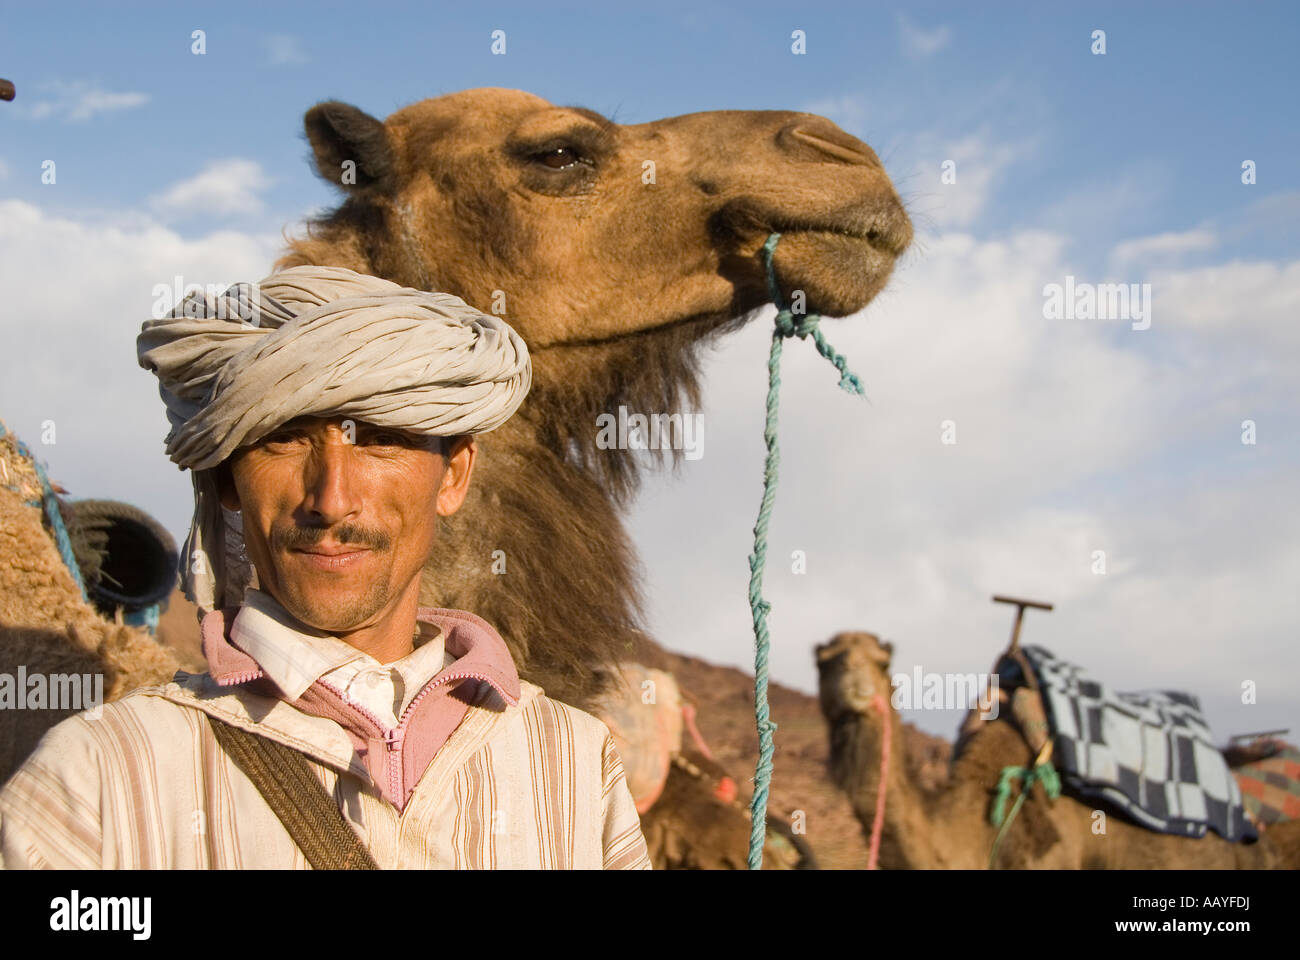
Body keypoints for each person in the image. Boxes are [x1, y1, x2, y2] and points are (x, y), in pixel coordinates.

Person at [0, 267, 651, 869]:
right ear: (227, 479)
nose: (331, 499)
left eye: (379, 439)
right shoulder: (100, 777)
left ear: (453, 475)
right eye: (283, 438)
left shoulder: (570, 763)